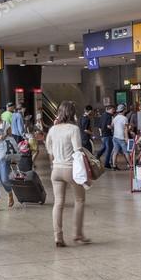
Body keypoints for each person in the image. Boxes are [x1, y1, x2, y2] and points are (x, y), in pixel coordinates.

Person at [45, 101, 89, 248]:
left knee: (58, 203)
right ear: (73, 113)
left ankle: (58, 237)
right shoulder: (73, 129)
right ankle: (77, 234)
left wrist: (54, 164)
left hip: (56, 170)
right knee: (79, 200)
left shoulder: (52, 130)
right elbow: (78, 150)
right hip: (71, 170)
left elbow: (49, 151)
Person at [111, 104, 130, 169]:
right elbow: (125, 129)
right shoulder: (125, 118)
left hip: (115, 137)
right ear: (123, 110)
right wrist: (126, 138)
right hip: (121, 137)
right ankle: (131, 165)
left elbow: (112, 126)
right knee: (126, 152)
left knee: (115, 151)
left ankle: (114, 165)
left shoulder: (115, 118)